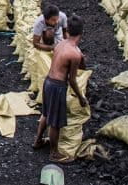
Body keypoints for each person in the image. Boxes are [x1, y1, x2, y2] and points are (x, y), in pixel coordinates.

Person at [32, 14, 88, 163]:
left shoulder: (60, 44)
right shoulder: (74, 54)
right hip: (57, 86)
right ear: (81, 33)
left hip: (48, 82)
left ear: (68, 31)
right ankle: (54, 153)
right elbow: (72, 80)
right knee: (55, 122)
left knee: (46, 113)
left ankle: (37, 141)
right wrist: (81, 98)